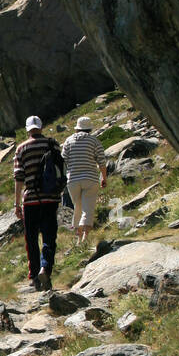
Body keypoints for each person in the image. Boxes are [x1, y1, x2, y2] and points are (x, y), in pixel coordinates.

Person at [13, 115, 65, 291]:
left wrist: (16, 203)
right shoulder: (52, 144)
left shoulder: (21, 148)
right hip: (51, 197)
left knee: (31, 239)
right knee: (49, 237)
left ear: (28, 129)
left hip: (31, 200)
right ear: (41, 127)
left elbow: (19, 177)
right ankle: (46, 268)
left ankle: (35, 276)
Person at [61, 115, 108, 244]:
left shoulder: (68, 141)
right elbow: (102, 161)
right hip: (90, 178)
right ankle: (85, 237)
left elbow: (63, 161)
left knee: (78, 207)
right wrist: (104, 177)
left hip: (73, 181)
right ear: (89, 129)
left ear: (77, 128)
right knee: (88, 208)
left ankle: (78, 237)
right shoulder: (94, 141)